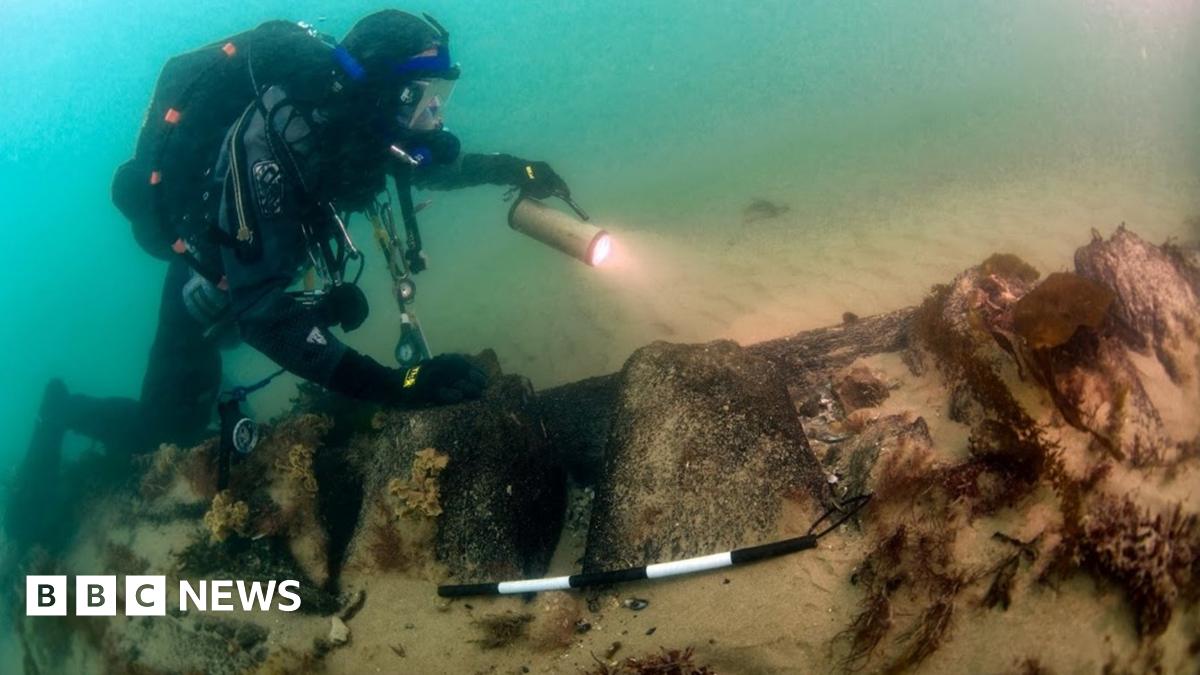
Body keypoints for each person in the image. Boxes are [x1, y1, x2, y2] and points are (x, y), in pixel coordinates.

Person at [6, 10, 571, 544]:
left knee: (229, 356)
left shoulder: (360, 124)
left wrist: (520, 169)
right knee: (165, 426)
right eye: (425, 99)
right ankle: (59, 409)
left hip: (261, 274)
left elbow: (431, 167)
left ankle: (216, 387)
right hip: (211, 281)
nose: (436, 116)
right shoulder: (271, 149)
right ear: (388, 92)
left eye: (439, 98)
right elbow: (260, 313)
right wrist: (391, 386)